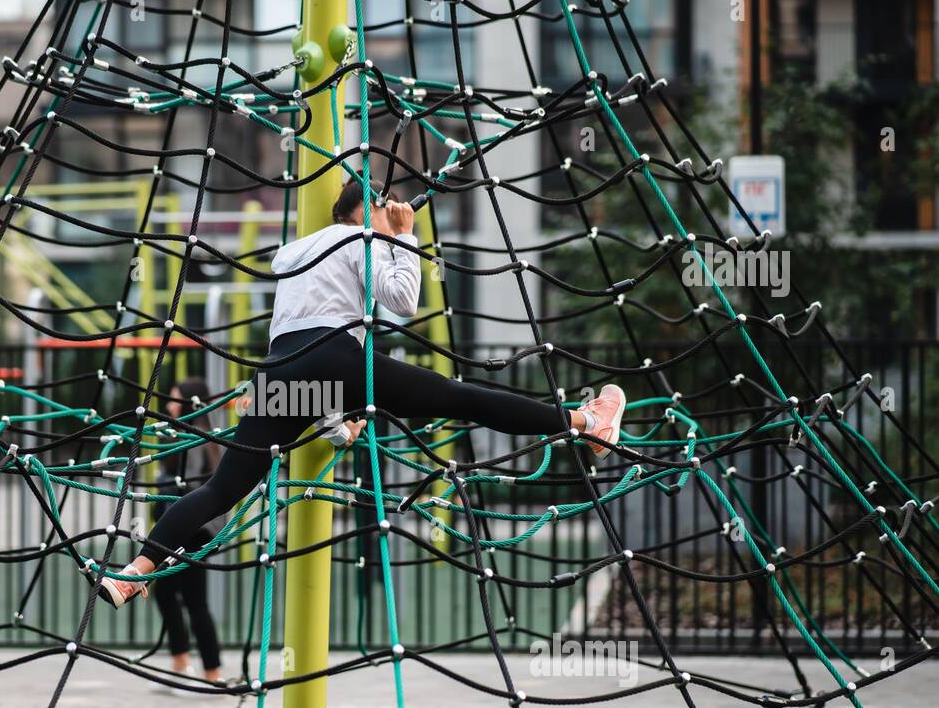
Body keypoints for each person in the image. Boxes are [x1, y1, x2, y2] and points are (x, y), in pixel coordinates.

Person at [93, 180, 627, 607]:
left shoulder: (299, 254)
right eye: (381, 209)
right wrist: (403, 238)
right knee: (465, 399)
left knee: (221, 489)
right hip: (336, 356)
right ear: (366, 211)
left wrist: (334, 425)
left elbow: (308, 363)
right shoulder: (360, 239)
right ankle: (585, 422)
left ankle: (135, 572)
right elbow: (402, 300)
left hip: (280, 369)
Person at [145, 378, 224, 685]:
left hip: (192, 528)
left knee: (191, 599)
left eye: (174, 398)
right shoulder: (198, 433)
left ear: (189, 402)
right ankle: (184, 665)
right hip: (194, 527)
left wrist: (165, 507)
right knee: (171, 593)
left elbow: (189, 489)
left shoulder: (194, 437)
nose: (169, 404)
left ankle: (211, 673)